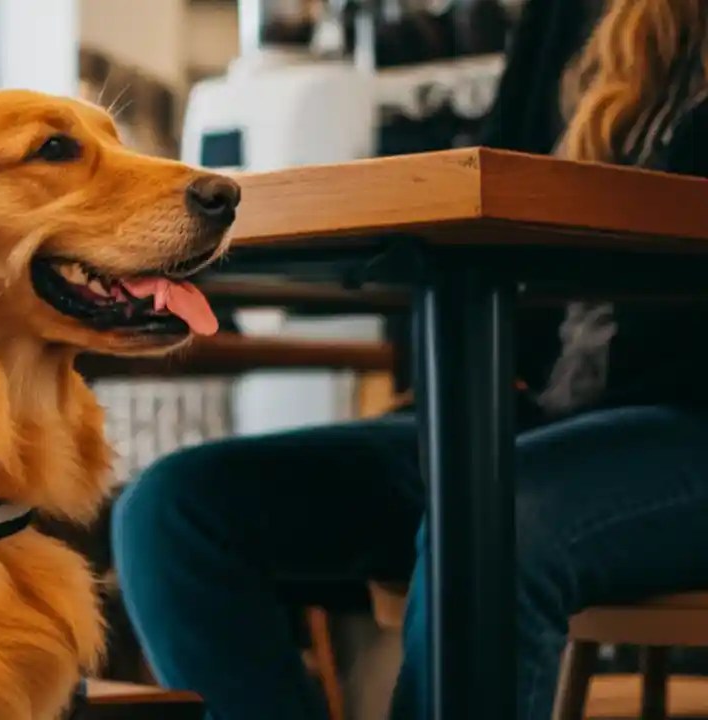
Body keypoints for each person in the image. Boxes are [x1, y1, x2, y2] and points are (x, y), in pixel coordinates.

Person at [111, 0, 708, 718]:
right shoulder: (572, 13)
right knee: (174, 512)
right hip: (538, 412)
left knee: (494, 521)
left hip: (687, 422)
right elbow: (486, 182)